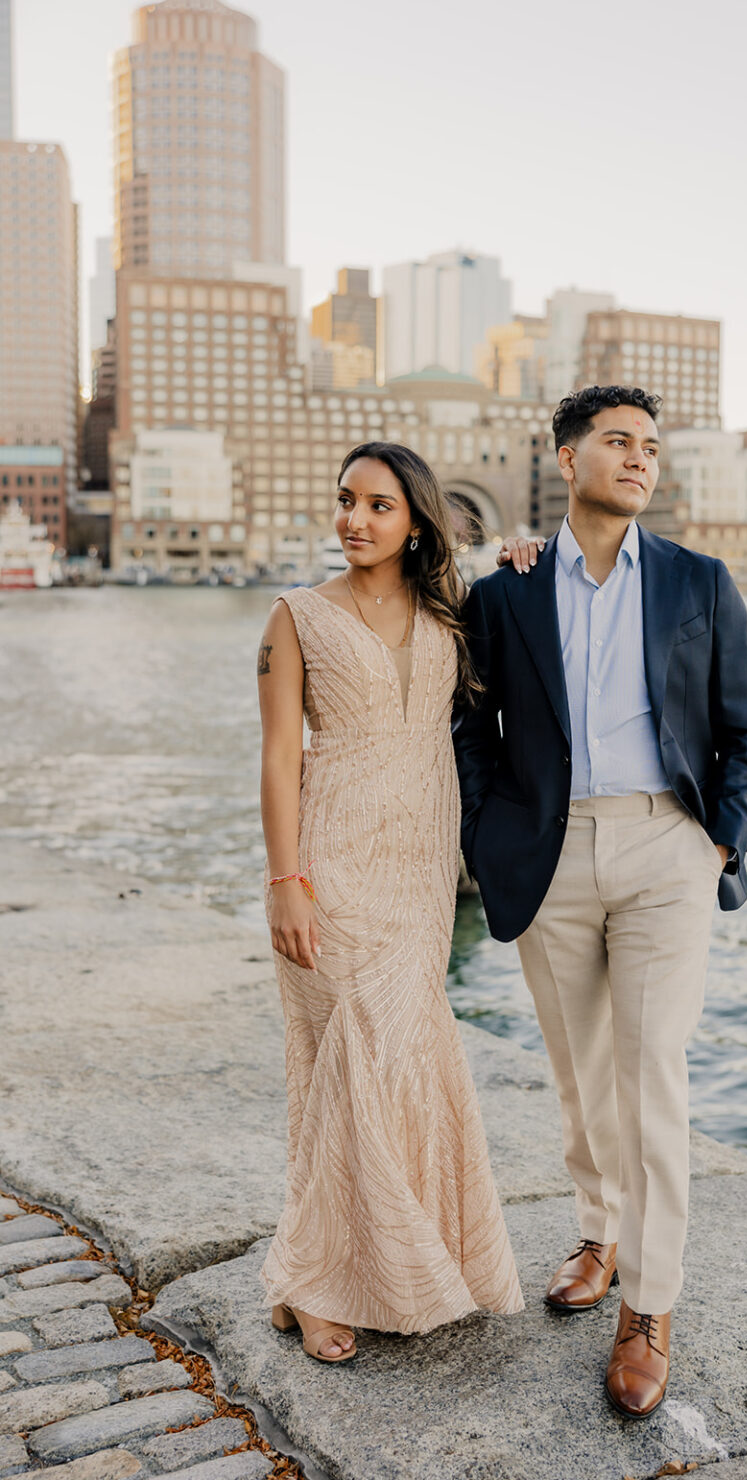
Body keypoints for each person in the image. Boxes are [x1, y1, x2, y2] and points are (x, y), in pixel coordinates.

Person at [454, 385, 747, 1418]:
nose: (638, 459)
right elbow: (469, 725)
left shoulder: (698, 581)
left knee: (651, 1074)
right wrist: (481, 828)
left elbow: (744, 730)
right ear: (564, 458)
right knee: (580, 1071)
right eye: (617, 442)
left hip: (666, 848)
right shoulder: (506, 591)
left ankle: (650, 1305)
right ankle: (599, 1230)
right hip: (551, 853)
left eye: (650, 446)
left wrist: (719, 833)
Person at [256, 442, 525, 1362]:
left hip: (419, 871)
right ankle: (312, 1280)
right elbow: (278, 760)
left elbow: (539, 639)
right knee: (343, 1062)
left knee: (396, 1060)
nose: (353, 520)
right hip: (330, 862)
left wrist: (525, 557)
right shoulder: (295, 616)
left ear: (415, 519)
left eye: (376, 505)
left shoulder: (453, 615)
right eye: (344, 501)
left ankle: (368, 1264)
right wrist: (285, 880)